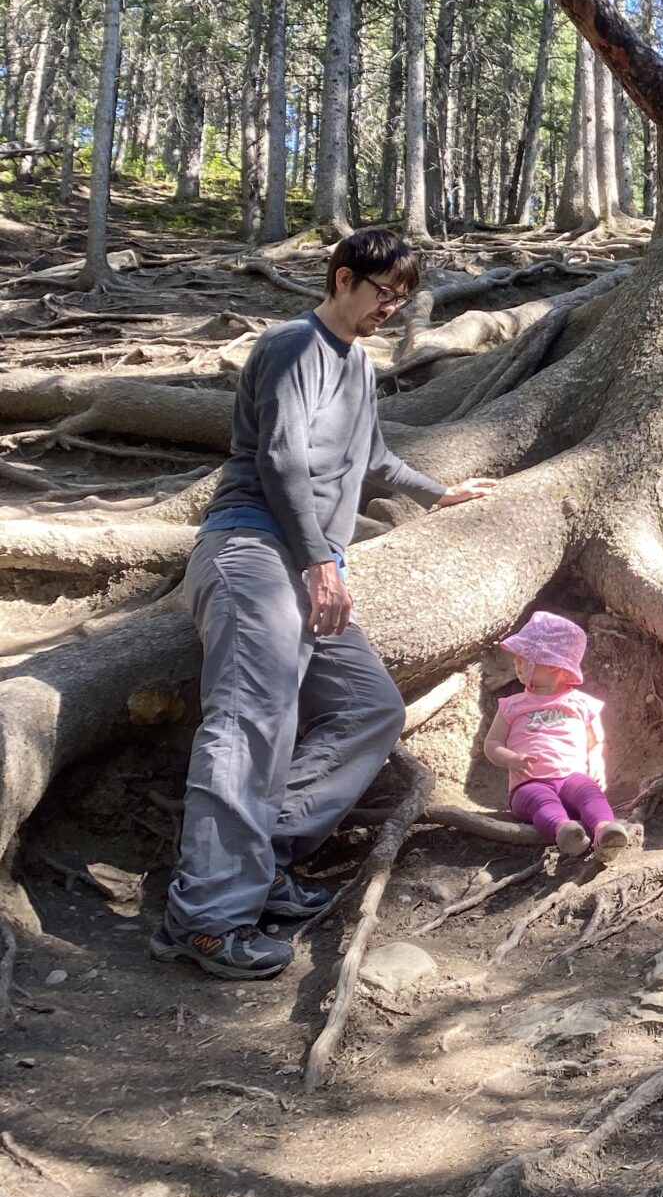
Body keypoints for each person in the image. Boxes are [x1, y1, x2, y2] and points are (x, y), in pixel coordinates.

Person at [151, 226, 494, 980]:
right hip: (253, 550)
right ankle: (206, 918)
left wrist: (442, 494)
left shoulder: (358, 365)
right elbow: (280, 458)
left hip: (310, 565)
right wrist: (318, 562)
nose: (391, 307)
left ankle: (261, 862)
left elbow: (375, 459)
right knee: (252, 719)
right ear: (342, 279)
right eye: (383, 291)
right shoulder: (291, 346)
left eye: (402, 297)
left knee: (369, 707)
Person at [485, 612, 639, 862]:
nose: (517, 664)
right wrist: (510, 759)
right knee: (539, 800)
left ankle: (605, 830)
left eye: (525, 659)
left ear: (555, 666)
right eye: (517, 659)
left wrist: (597, 765)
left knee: (589, 793)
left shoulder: (581, 703)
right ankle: (565, 831)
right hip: (529, 783)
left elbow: (596, 742)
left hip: (572, 777)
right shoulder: (511, 705)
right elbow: (492, 743)